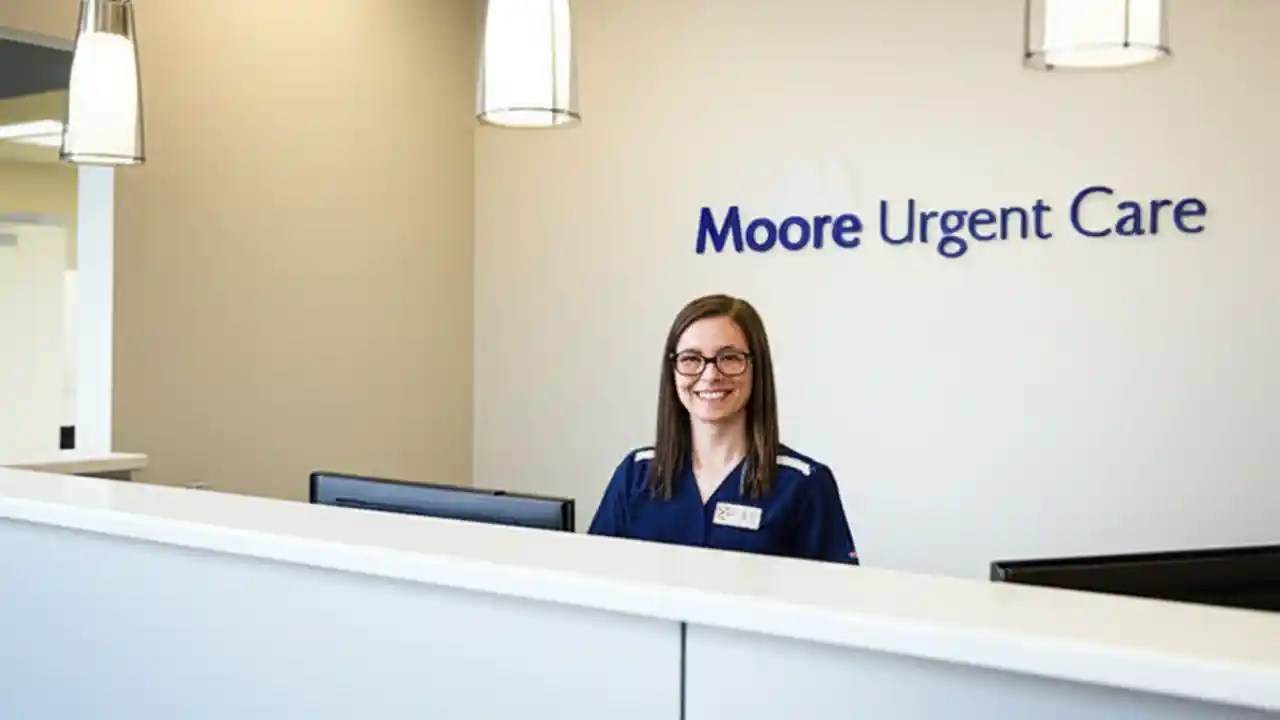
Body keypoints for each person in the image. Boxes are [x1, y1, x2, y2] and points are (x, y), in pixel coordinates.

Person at [588, 293, 859, 565]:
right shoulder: (636, 474)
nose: (710, 375)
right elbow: (592, 581)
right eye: (691, 359)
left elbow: (834, 599)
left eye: (729, 358)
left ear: (757, 368)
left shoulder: (803, 484)